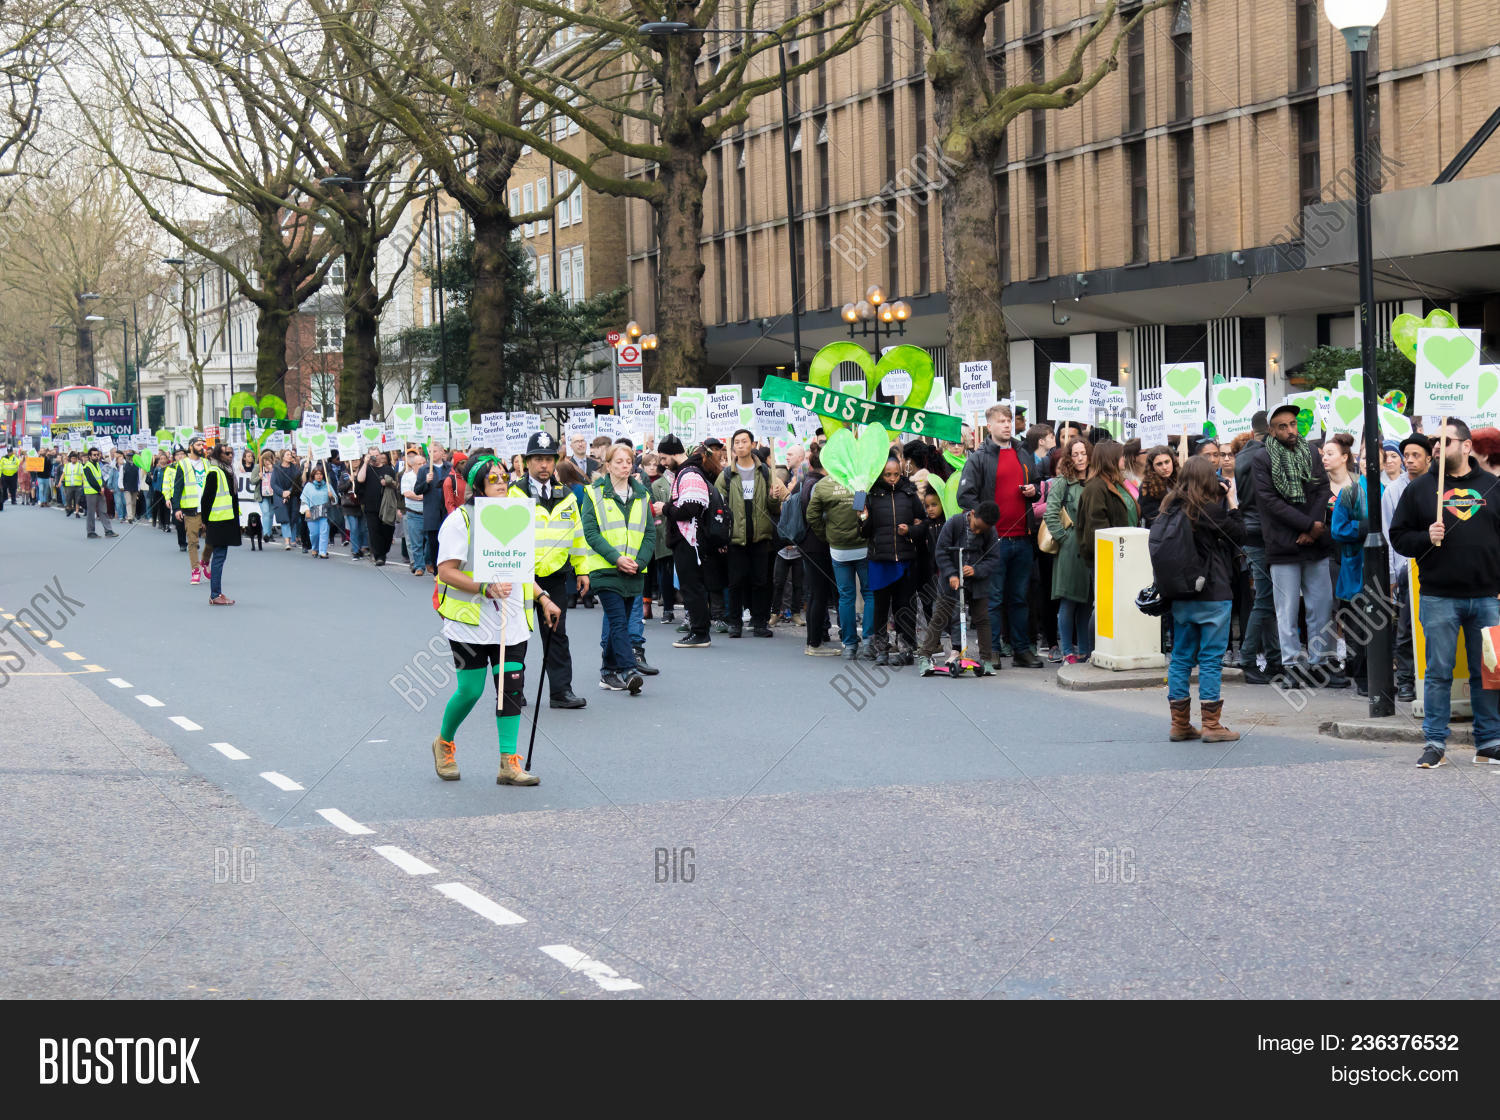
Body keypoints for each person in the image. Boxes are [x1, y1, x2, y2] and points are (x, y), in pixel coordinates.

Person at [431, 454, 558, 786]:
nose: (502, 483)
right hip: (470, 623)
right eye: (493, 479)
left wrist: (543, 597)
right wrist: (484, 587)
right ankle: (444, 742)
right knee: (470, 691)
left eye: (504, 477)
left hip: (511, 621)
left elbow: (521, 567)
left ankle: (508, 763)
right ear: (478, 486)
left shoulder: (518, 515)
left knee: (511, 688)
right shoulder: (460, 521)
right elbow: (446, 572)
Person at [1390, 420, 1500, 768]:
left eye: (1445, 441)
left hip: (1487, 597)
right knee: (1438, 672)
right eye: (1434, 441)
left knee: (1487, 673)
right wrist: (1427, 536)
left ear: (1466, 446)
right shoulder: (1420, 489)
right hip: (1439, 596)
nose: (1436, 446)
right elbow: (1398, 537)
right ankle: (1435, 742)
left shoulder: (1493, 486)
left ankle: (1489, 742)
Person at [1250, 403, 1340, 687]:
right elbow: (1270, 501)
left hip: (1315, 542)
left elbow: (1322, 489)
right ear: (1271, 431)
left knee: (1321, 606)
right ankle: (1291, 665)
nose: (1290, 430)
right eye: (1283, 426)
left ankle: (1319, 663)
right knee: (1286, 610)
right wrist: (1306, 525)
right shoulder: (1262, 458)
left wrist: (1313, 528)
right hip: (1282, 544)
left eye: (1293, 424)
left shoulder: (1311, 451)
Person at [1157, 456, 1245, 742]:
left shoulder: (1169, 507)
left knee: (1181, 657)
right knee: (1210, 659)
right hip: (1213, 593)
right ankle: (1211, 725)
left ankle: (1179, 724)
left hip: (1180, 594)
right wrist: (1231, 500)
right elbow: (1239, 534)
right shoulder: (1208, 510)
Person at [956, 403, 1043, 669]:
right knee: (992, 599)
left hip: (1023, 538)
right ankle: (991, 651)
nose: (1007, 425)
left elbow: (1037, 485)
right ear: (989, 425)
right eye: (1001, 421)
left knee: (1019, 598)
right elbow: (964, 496)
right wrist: (986, 521)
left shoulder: (1023, 452)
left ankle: (1021, 651)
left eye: (1009, 420)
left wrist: (1034, 491)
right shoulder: (979, 458)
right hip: (994, 542)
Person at [509, 430, 591, 709]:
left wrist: (582, 570)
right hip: (521, 576)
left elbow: (577, 535)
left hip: (555, 575)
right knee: (516, 636)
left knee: (557, 634)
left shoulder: (566, 495)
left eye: (548, 459)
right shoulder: (513, 494)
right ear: (527, 462)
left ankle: (560, 691)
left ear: (555, 461)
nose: (544, 465)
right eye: (538, 459)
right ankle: (512, 691)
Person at [580, 442, 656, 693]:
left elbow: (649, 533)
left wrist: (639, 562)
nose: (625, 466)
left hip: (634, 569)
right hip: (605, 569)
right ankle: (628, 669)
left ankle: (607, 671)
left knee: (619, 621)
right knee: (618, 620)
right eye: (619, 462)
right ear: (608, 465)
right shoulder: (594, 493)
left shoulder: (642, 495)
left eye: (628, 461)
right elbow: (591, 532)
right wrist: (616, 559)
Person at [914, 501, 1001, 676]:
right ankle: (924, 656)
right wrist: (951, 574)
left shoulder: (990, 531)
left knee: (982, 618)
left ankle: (986, 659)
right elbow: (941, 551)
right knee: (940, 616)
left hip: (977, 581)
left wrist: (977, 570)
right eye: (976, 527)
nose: (978, 532)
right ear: (973, 513)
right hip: (951, 578)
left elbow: (993, 558)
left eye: (982, 530)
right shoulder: (954, 523)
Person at [715, 428, 786, 638]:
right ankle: (735, 623)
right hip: (735, 537)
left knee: (761, 582)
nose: (740, 445)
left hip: (760, 536)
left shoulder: (765, 472)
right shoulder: (726, 475)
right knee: (736, 582)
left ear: (752, 445)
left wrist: (773, 497)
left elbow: (774, 509)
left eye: (744, 441)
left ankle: (760, 622)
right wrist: (721, 535)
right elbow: (717, 506)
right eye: (736, 442)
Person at [807, 450, 874, 660]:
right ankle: (869, 641)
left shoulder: (823, 485)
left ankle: (850, 644)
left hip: (838, 549)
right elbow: (867, 513)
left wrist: (826, 535)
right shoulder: (862, 482)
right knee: (869, 593)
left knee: (846, 596)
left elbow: (812, 515)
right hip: (863, 546)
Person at [861, 452, 925, 665]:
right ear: (880, 474)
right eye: (888, 474)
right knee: (880, 607)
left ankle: (906, 649)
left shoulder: (909, 493)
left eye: (896, 474)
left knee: (904, 606)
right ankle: (881, 648)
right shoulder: (868, 494)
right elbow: (862, 531)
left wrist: (911, 530)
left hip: (905, 559)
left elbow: (923, 522)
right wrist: (862, 516)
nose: (892, 479)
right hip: (880, 560)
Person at [663, 434, 722, 649]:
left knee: (692, 587)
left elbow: (690, 510)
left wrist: (665, 508)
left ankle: (700, 632)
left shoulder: (689, 474)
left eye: (663, 458)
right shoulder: (688, 472)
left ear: (672, 453)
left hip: (690, 539)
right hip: (687, 539)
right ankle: (698, 630)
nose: (662, 463)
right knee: (691, 587)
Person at [1385, 435, 1430, 702]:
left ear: (1429, 458)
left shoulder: (1438, 485)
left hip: (1435, 565)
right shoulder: (1394, 490)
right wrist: (1394, 573)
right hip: (1406, 569)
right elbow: (1389, 533)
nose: (1410, 460)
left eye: (1416, 455)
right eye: (1407, 455)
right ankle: (1405, 681)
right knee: (1405, 627)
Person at [1046, 436, 1092, 664]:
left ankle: (1084, 650)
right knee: (1069, 601)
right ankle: (1067, 651)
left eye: (1083, 453)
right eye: (1075, 454)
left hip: (1091, 546)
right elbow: (1050, 514)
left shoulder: (1095, 480)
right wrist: (1065, 538)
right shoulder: (1062, 482)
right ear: (1069, 458)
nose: (1080, 458)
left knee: (1086, 601)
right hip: (1070, 548)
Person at [1076, 437, 1139, 574]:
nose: (1125, 459)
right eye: (1122, 456)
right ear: (1111, 458)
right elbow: (1096, 529)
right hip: (1109, 561)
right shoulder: (1096, 487)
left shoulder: (1118, 482)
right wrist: (1112, 557)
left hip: (1126, 554)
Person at [198, 441, 242, 604]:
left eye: (231, 453)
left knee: (220, 557)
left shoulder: (228, 471)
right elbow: (206, 500)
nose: (230, 456)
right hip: (218, 521)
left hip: (226, 520)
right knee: (218, 558)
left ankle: (216, 593)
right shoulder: (215, 472)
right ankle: (215, 595)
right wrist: (204, 521)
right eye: (226, 453)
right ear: (218, 455)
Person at [647, 451, 677, 625]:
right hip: (664, 531)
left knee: (684, 573)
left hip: (683, 533)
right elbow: (654, 511)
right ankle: (668, 608)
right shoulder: (657, 484)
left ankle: (689, 610)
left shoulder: (685, 479)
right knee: (665, 572)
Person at [355, 448, 398, 565]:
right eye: (372, 455)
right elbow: (360, 479)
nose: (375, 458)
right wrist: (365, 462)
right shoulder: (366, 468)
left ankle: (383, 551)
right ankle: (379, 556)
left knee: (388, 531)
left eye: (377, 455)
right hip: (371, 507)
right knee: (374, 531)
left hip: (387, 506)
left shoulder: (388, 469)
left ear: (380, 455)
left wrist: (387, 482)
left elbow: (395, 486)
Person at [414, 444, 449, 576]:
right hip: (432, 510)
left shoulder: (449, 467)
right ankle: (437, 572)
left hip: (447, 510)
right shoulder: (424, 470)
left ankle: (447, 570)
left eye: (434, 451)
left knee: (447, 541)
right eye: (429, 451)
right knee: (433, 543)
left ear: (442, 452)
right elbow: (417, 490)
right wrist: (426, 482)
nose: (432, 454)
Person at [400, 446, 428, 575]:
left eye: (424, 463)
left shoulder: (430, 476)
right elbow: (407, 493)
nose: (422, 466)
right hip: (414, 513)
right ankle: (419, 567)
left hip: (428, 513)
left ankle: (428, 562)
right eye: (419, 464)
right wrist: (422, 497)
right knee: (416, 542)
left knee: (430, 541)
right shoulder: (407, 476)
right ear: (413, 465)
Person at [80, 447, 117, 539]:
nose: (96, 456)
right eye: (94, 455)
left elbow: (100, 478)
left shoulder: (97, 465)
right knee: (91, 513)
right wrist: (100, 489)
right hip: (91, 492)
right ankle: (90, 532)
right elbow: (91, 480)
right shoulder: (87, 466)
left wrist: (104, 487)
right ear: (90, 456)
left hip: (100, 491)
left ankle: (108, 531)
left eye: (97, 455)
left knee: (103, 511)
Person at [1136, 446, 1177, 527]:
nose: (1164, 467)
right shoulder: (1148, 486)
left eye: (1167, 462)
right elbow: (1153, 517)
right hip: (1161, 529)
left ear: (1172, 461)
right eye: (1159, 464)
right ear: (1152, 467)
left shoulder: (1178, 478)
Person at [300, 462, 333, 558]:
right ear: (313, 475)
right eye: (317, 474)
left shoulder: (327, 485)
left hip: (324, 512)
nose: (319, 476)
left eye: (321, 474)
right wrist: (306, 510)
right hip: (311, 512)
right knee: (314, 534)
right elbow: (304, 499)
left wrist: (331, 497)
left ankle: (322, 551)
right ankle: (315, 548)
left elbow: (335, 500)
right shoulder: (308, 486)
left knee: (324, 532)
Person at [61, 451, 85, 518]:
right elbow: (63, 474)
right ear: (70, 459)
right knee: (68, 499)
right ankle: (70, 509)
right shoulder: (67, 465)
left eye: (75, 458)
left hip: (78, 485)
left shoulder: (80, 465)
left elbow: (82, 475)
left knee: (77, 499)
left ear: (77, 459)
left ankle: (77, 512)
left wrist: (84, 483)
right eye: (72, 458)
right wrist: (60, 481)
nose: (73, 460)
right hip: (69, 485)